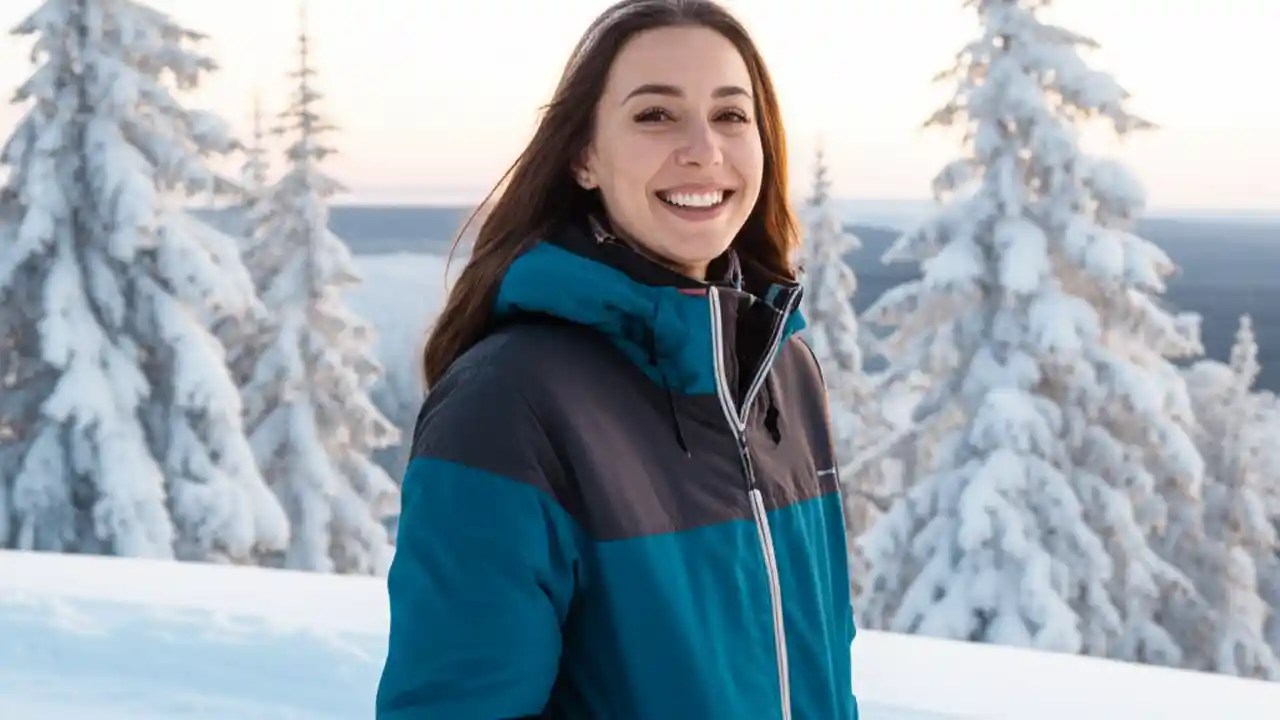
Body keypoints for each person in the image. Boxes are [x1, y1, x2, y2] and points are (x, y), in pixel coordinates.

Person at [375, 1, 858, 718]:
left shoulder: (782, 372)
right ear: (585, 157)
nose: (704, 149)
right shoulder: (509, 402)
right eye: (655, 116)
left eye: (731, 115)